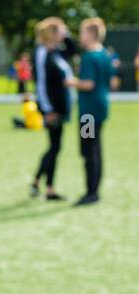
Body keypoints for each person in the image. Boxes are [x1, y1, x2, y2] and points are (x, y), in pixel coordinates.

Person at [66, 18, 116, 206]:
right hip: (101, 107)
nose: (80, 36)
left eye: (82, 32)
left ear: (91, 34)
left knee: (89, 151)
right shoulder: (104, 54)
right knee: (95, 148)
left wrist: (71, 82)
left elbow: (88, 84)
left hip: (88, 113)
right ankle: (94, 190)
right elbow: (111, 82)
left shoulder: (89, 56)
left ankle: (91, 192)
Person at [30, 17, 72, 201]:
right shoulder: (41, 53)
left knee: (55, 147)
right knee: (55, 147)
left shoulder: (56, 51)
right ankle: (46, 187)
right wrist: (47, 110)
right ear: (52, 33)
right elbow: (40, 85)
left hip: (60, 108)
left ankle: (40, 183)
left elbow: (74, 49)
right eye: (61, 30)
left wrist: (66, 35)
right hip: (51, 109)